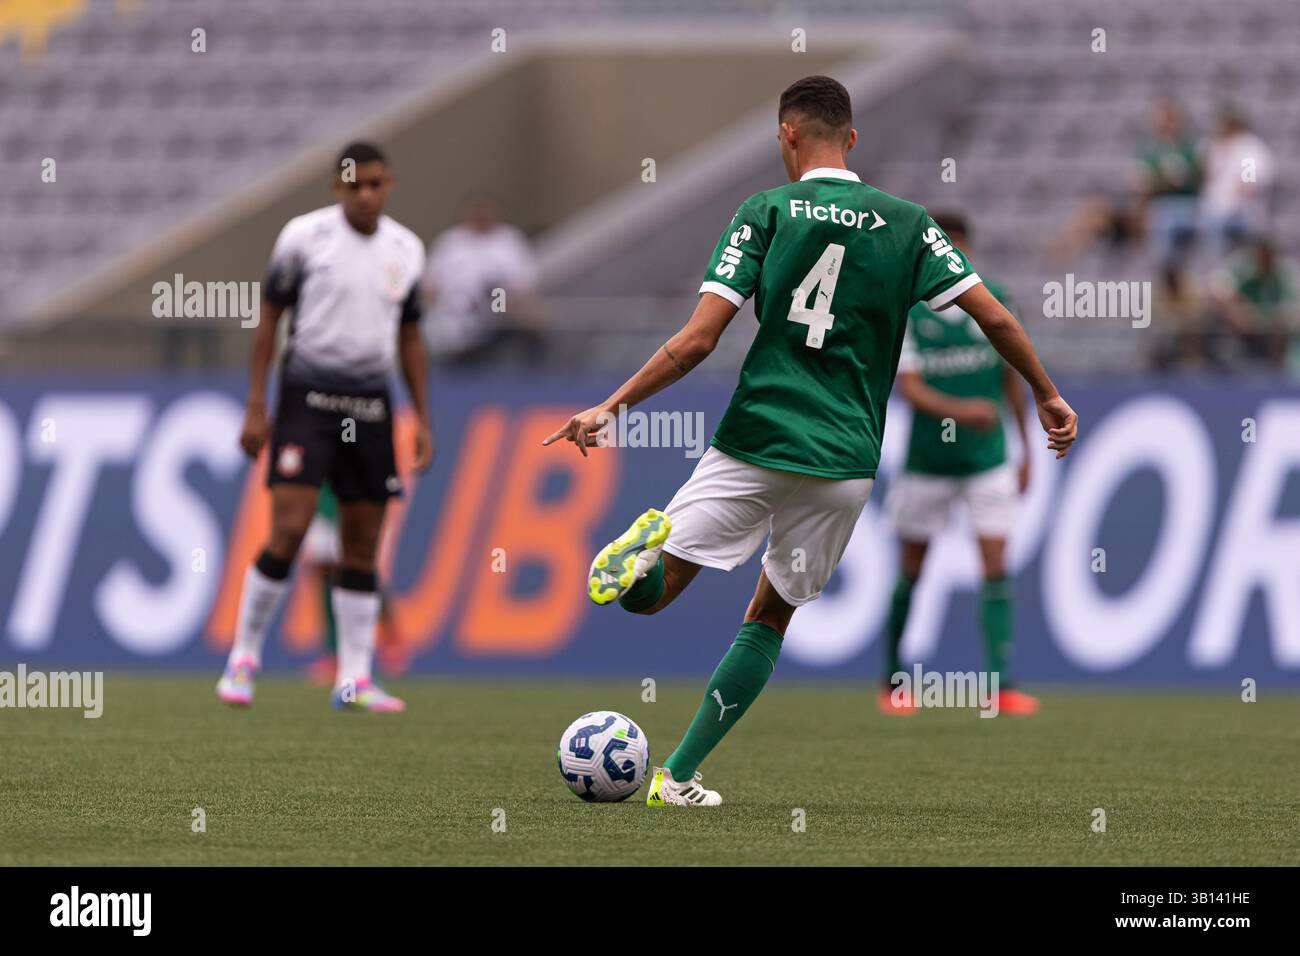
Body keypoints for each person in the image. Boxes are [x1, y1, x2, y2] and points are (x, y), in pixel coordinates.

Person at [544, 76, 1078, 807]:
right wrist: (1046, 393)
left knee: (654, 595)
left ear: (786, 135)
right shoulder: (909, 222)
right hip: (844, 460)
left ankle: (634, 567)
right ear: (851, 139)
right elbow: (999, 320)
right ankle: (679, 777)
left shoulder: (765, 211)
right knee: (769, 617)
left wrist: (613, 405)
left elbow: (699, 339)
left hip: (753, 439)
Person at [216, 141, 432, 712]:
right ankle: (243, 657)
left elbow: (411, 337)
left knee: (362, 545)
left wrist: (423, 419)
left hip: (371, 406)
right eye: (354, 184)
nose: (365, 194)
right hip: (306, 401)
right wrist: (256, 405)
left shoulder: (406, 250)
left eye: (376, 184)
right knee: (289, 530)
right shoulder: (303, 238)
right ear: (337, 188)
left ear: (389, 186)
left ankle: (355, 679)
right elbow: (270, 321)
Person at [879, 211, 1039, 717]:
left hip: (988, 460)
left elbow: (1011, 377)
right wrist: (961, 410)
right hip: (928, 462)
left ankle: (1001, 684)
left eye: (957, 249)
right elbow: (908, 387)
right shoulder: (910, 311)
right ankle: (892, 680)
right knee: (912, 567)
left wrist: (1025, 447)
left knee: (994, 562)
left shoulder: (993, 300)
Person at [422, 193, 541, 366]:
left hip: (497, 315)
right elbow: (430, 285)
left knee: (498, 293)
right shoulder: (450, 242)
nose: (481, 216)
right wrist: (429, 315)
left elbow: (520, 286)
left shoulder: (509, 241)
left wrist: (516, 310)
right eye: (476, 212)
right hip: (452, 318)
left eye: (485, 212)